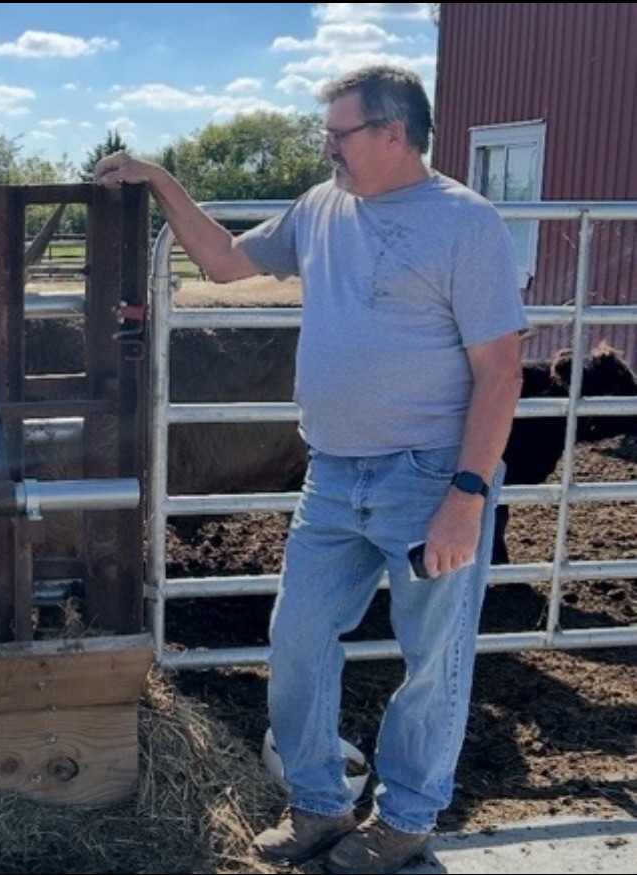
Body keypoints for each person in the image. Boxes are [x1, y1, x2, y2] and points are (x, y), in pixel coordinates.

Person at [95, 65, 528, 874]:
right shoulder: (322, 208)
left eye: (339, 132)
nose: (325, 145)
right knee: (296, 638)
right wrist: (158, 179)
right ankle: (320, 805)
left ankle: (404, 819)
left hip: (429, 474)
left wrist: (467, 496)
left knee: (433, 656)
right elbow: (225, 260)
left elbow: (501, 369)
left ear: (394, 133)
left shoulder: (466, 225)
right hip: (333, 474)